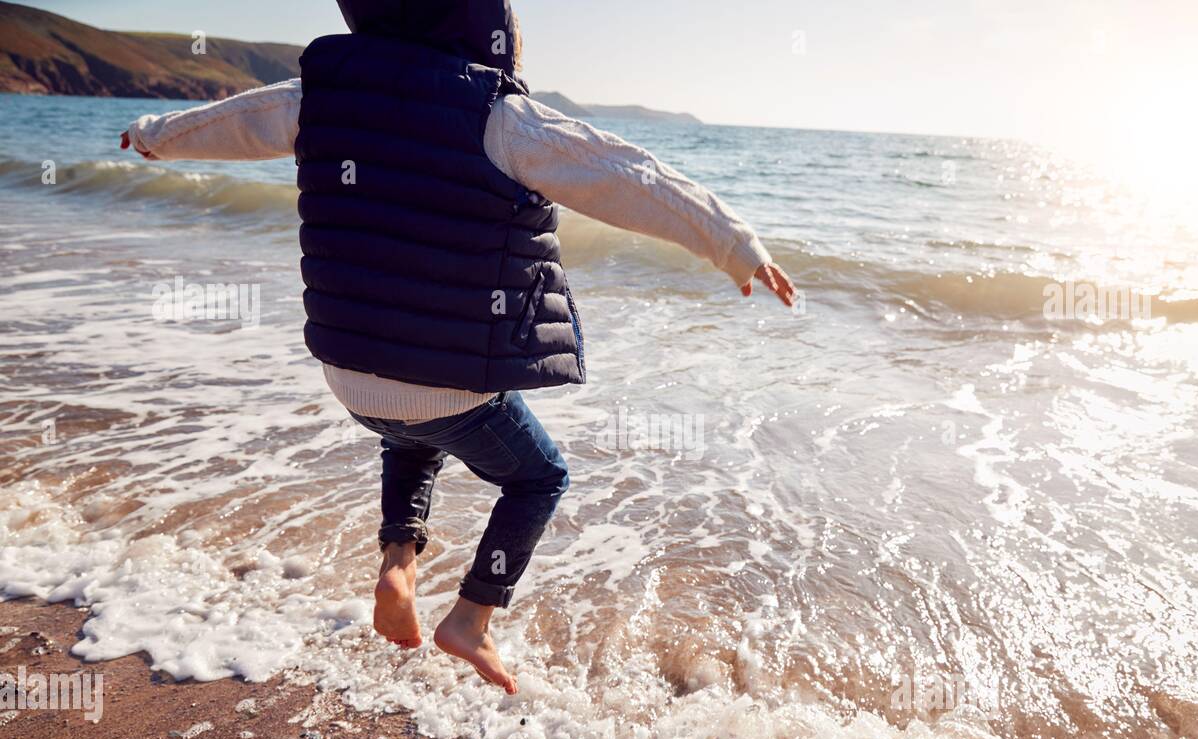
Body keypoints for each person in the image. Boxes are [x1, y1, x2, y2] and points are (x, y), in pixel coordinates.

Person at [121, 0, 797, 695]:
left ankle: (398, 562)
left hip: (349, 376)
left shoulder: (320, 93)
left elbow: (227, 122)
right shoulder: (500, 115)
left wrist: (151, 136)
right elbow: (626, 175)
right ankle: (472, 617)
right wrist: (733, 244)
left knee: (409, 432)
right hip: (445, 387)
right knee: (539, 476)